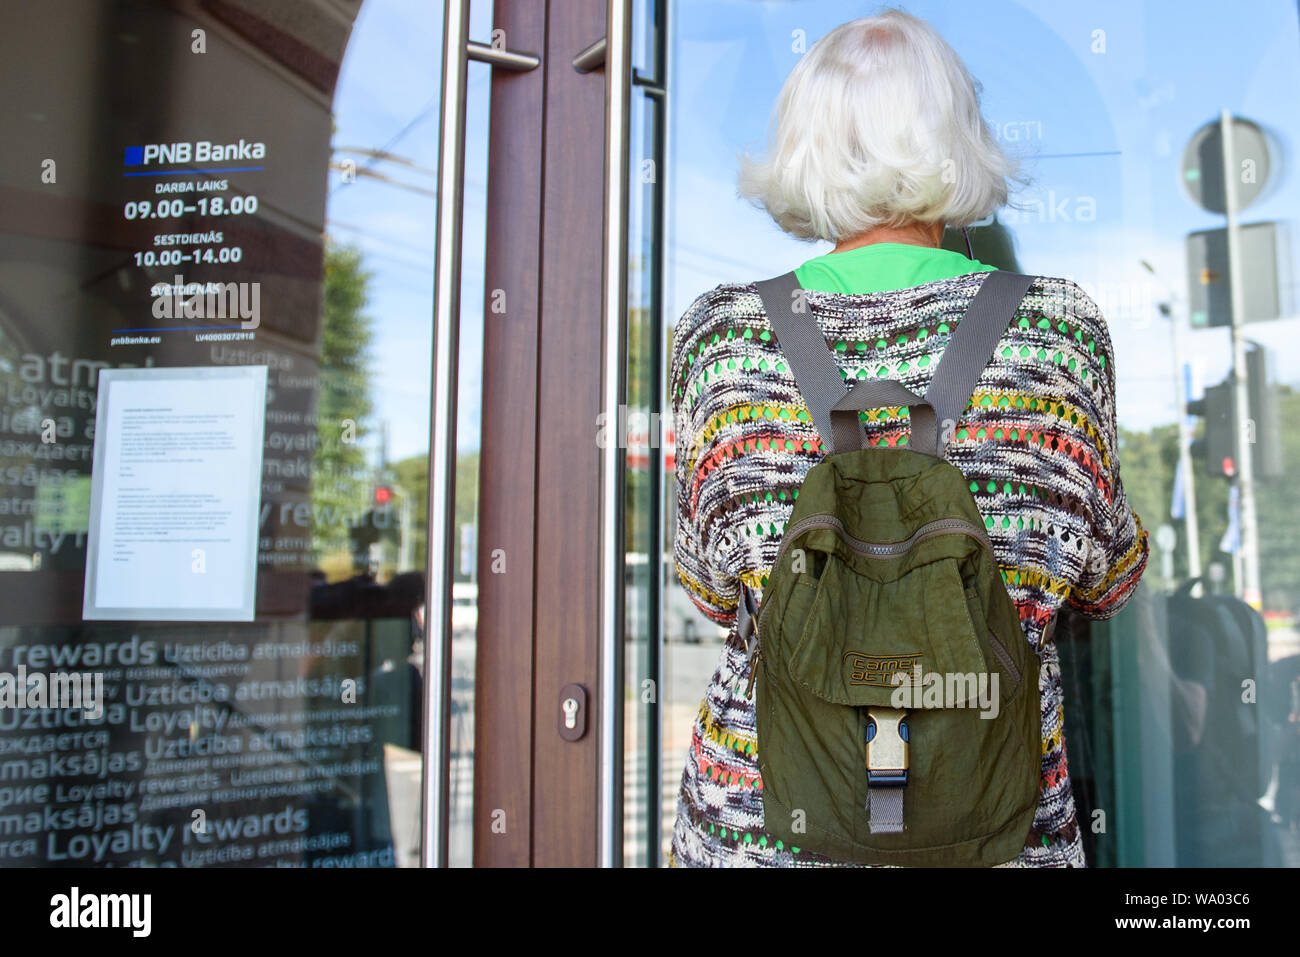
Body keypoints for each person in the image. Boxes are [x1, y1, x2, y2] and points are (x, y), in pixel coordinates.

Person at [669, 8, 1149, 867]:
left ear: (801, 149)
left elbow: (709, 593)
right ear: (961, 140)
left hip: (759, 830)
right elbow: (1109, 583)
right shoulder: (1059, 331)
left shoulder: (720, 338)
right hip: (999, 830)